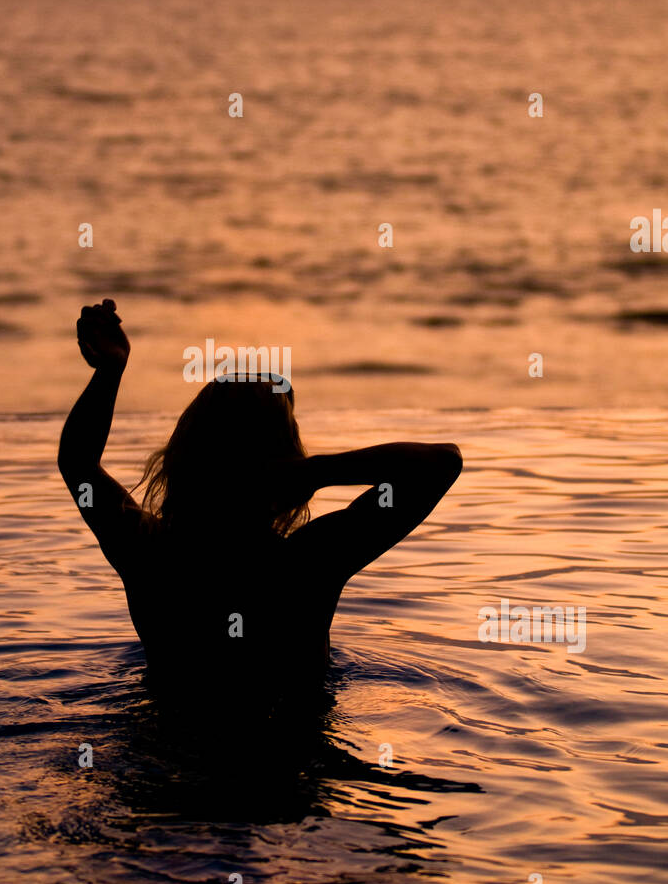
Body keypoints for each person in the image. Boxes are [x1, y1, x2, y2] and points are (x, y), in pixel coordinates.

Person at [58, 300, 462, 711]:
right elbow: (440, 463)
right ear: (286, 464)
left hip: (167, 756)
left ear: (183, 457)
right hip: (285, 761)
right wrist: (311, 473)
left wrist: (110, 372)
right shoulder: (309, 563)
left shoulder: (147, 552)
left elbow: (77, 463)